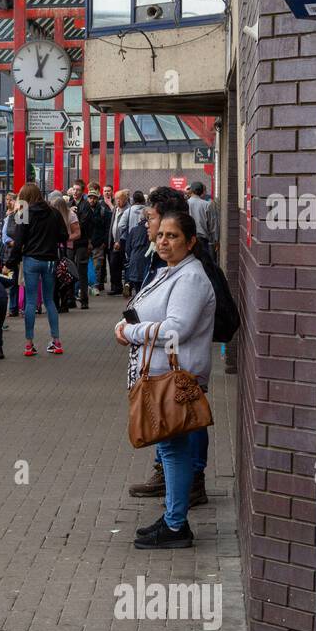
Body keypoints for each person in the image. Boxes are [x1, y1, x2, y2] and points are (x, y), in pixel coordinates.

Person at [114, 211, 215, 549]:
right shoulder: (171, 272)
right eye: (161, 235)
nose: (163, 241)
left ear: (190, 242)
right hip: (161, 376)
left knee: (174, 450)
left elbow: (176, 329)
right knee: (171, 449)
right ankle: (173, 516)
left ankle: (176, 525)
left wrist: (131, 332)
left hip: (175, 379)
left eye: (172, 236)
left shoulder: (190, 279)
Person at [7, 182, 67, 357]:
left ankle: (29, 344)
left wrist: (10, 263)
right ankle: (56, 342)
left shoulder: (23, 212)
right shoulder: (54, 212)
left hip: (31, 260)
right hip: (49, 260)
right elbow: (64, 236)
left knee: (31, 302)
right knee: (49, 301)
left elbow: (18, 243)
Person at [85, 184, 114, 301]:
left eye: (94, 198)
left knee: (97, 266)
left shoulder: (102, 211)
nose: (92, 200)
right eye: (90, 197)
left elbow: (108, 227)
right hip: (85, 243)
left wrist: (104, 242)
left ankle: (95, 286)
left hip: (98, 243)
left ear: (97, 198)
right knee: (86, 266)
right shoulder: (83, 209)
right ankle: (86, 286)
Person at [108, 189, 131, 296]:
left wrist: (119, 240)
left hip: (123, 242)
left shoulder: (128, 210)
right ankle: (116, 286)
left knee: (125, 264)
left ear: (125, 199)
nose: (117, 201)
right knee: (113, 264)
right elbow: (113, 225)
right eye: (116, 199)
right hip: (114, 242)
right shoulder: (115, 209)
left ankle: (127, 286)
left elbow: (125, 228)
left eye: (120, 199)